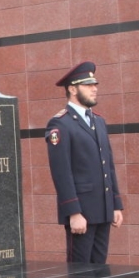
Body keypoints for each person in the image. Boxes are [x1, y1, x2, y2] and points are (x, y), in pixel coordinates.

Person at [45, 61, 124, 264]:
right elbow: (61, 172)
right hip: (82, 213)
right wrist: (73, 213)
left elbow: (109, 166)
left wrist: (115, 205)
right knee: (79, 274)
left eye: (95, 85)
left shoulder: (98, 121)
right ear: (72, 89)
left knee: (99, 271)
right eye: (88, 85)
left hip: (103, 209)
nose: (94, 89)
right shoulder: (61, 123)